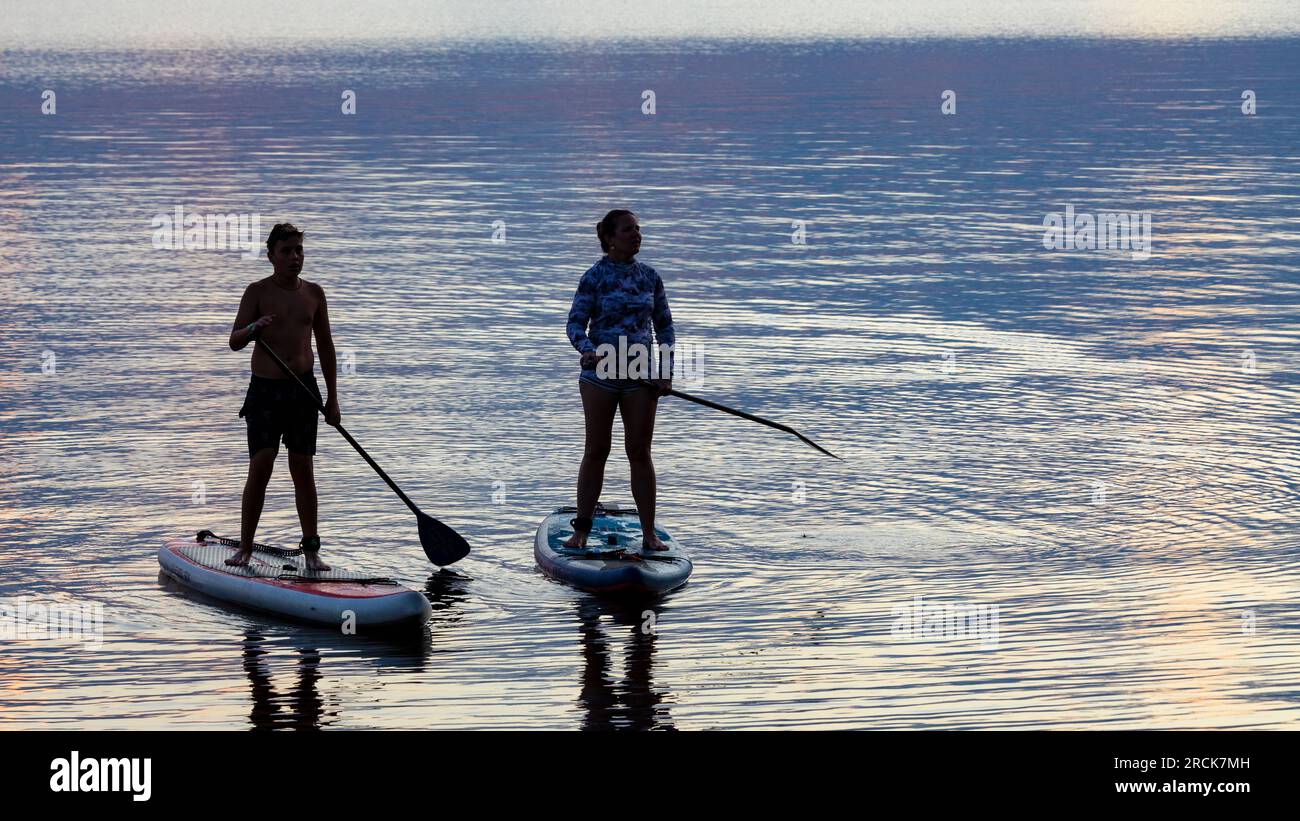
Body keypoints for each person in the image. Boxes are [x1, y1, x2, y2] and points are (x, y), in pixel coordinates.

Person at [225, 223, 340, 570]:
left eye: (299, 250)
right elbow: (234, 340)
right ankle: (245, 547)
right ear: (271, 255)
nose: (295, 257)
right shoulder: (257, 292)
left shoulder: (314, 294)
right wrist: (252, 329)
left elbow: (326, 346)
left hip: (304, 388)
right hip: (265, 391)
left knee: (302, 468)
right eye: (287, 251)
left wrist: (333, 399)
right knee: (262, 464)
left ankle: (312, 551)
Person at [564, 209, 676, 551]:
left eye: (638, 229)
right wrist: (586, 349)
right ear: (609, 239)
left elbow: (665, 327)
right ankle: (581, 530)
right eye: (629, 230)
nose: (637, 234)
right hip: (600, 374)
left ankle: (649, 534)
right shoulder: (594, 277)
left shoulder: (650, 277)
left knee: (639, 451)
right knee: (597, 449)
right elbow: (574, 324)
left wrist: (665, 372)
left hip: (640, 376)